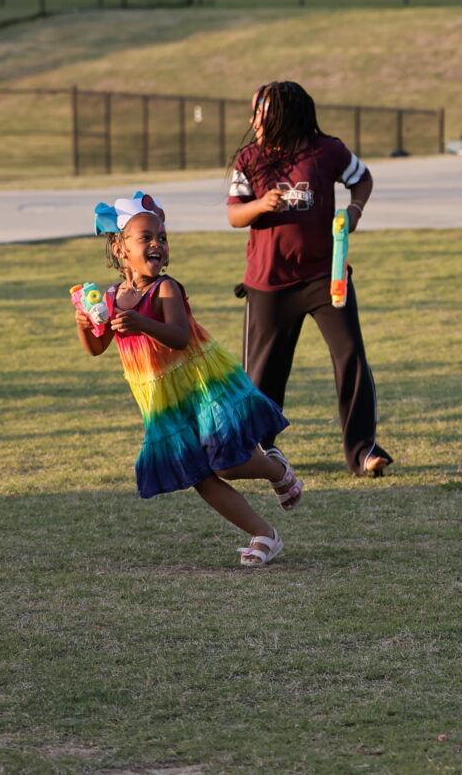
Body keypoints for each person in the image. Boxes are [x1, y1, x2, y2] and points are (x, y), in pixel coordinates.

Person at [80, 192, 300, 567]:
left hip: (201, 387)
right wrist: (84, 324)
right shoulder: (114, 297)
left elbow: (179, 336)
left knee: (227, 463)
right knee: (199, 474)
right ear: (120, 249)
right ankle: (264, 534)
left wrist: (142, 323)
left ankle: (277, 469)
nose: (157, 244)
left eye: (162, 237)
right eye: (145, 237)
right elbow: (97, 347)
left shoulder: (166, 288)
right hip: (164, 400)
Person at [227, 81, 390, 477]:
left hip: (325, 278)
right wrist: (261, 205)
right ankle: (259, 450)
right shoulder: (249, 158)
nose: (253, 122)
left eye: (260, 115)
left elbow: (363, 178)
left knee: (350, 356)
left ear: (284, 116)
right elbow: (234, 216)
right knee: (262, 374)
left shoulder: (327, 151)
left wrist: (355, 211)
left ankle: (363, 451)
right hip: (268, 282)